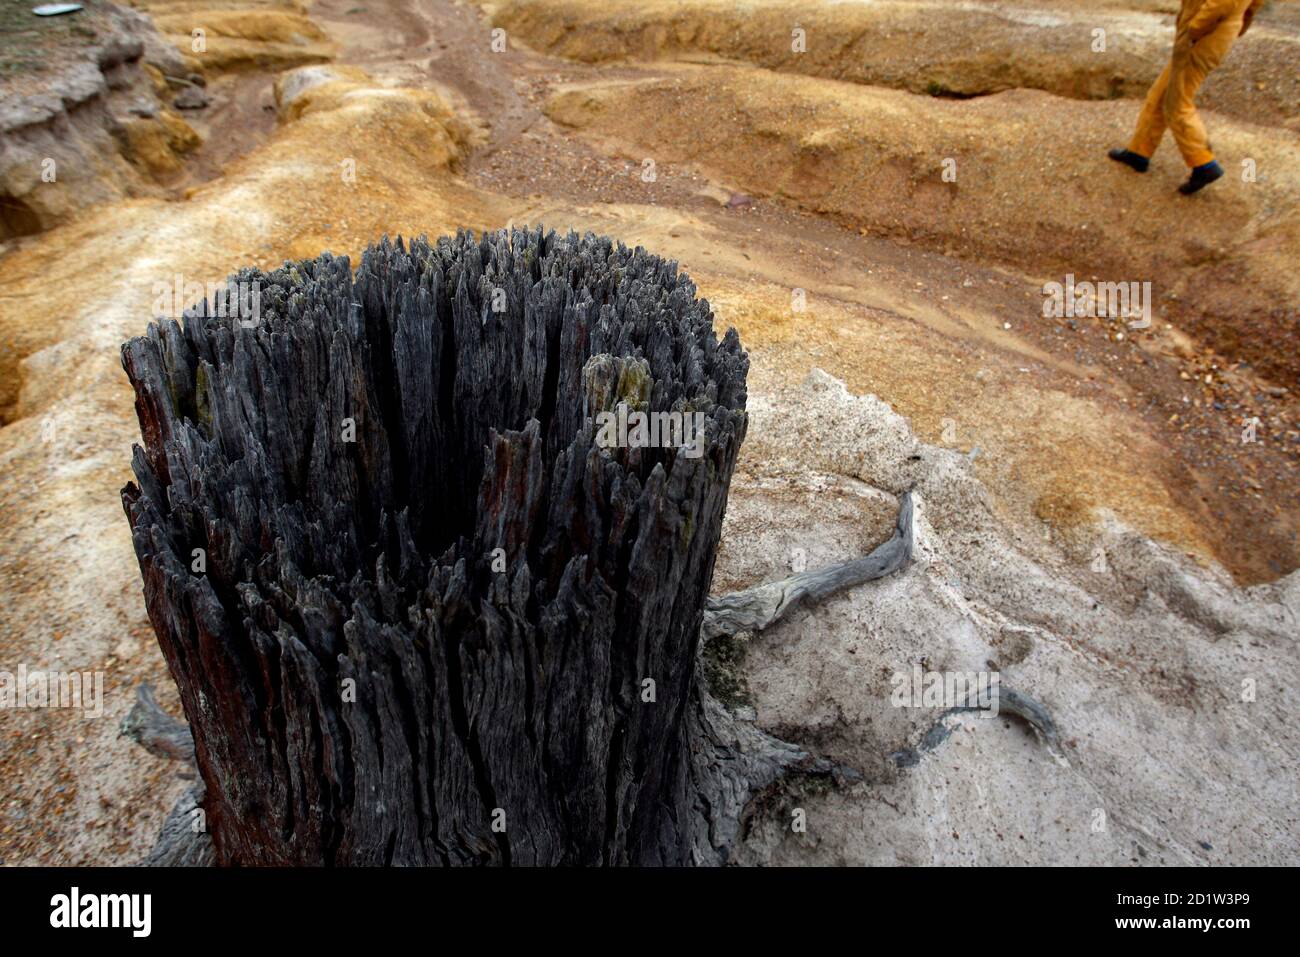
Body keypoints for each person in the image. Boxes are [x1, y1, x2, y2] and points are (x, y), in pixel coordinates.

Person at [1108, 0, 1264, 194]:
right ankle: (1139, 152)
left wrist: (1194, 29)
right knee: (1161, 94)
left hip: (1203, 39)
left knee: (1177, 103)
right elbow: (1253, 5)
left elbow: (1222, 4)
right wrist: (1240, 22)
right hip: (1206, 36)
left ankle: (1204, 163)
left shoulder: (1201, 30)